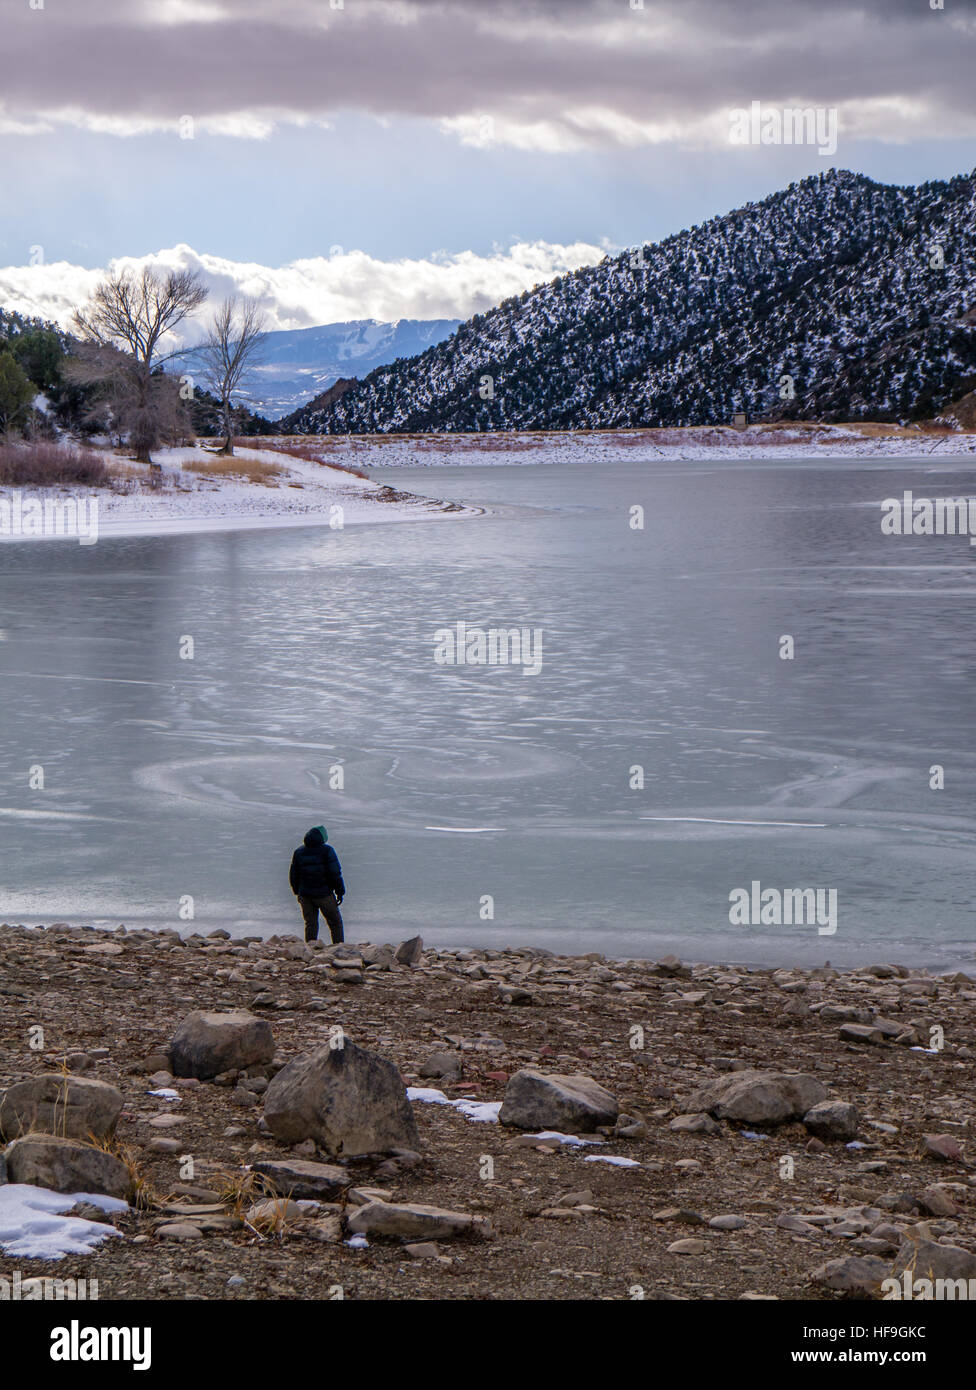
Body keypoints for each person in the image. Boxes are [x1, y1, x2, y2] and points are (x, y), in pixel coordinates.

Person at [289, 825, 346, 943]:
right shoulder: (327, 850)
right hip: (324, 894)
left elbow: (293, 875)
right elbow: (335, 873)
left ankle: (310, 949)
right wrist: (340, 891)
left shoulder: (299, 852)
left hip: (305, 894)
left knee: (311, 924)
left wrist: (297, 892)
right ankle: (339, 948)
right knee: (335, 923)